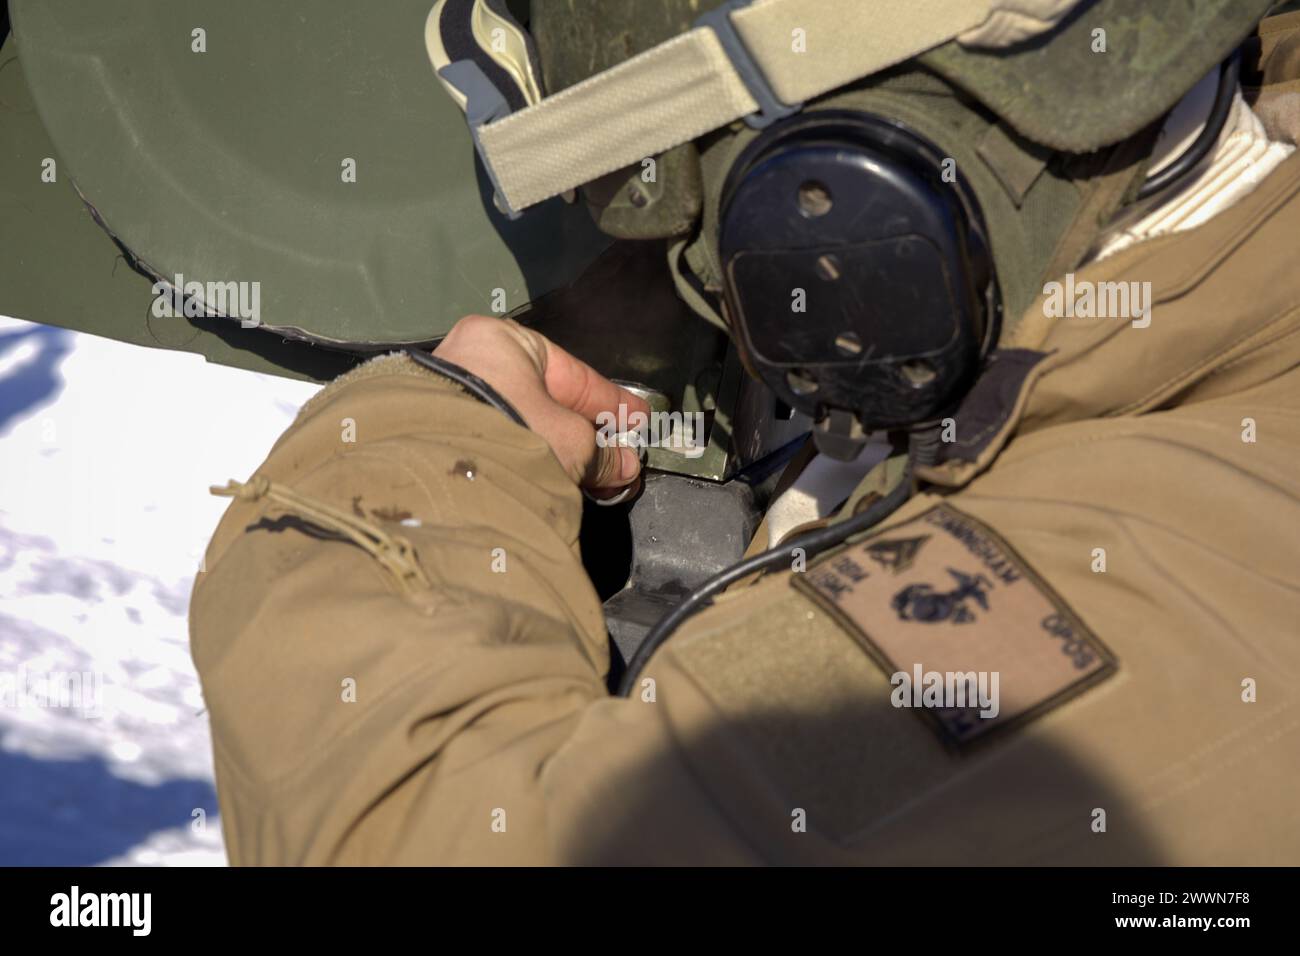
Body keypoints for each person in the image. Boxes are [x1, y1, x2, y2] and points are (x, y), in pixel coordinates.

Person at [191, 1, 1300, 864]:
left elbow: (442, 839)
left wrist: (411, 457)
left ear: (847, 173)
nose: (690, 269)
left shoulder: (1153, 593)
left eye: (675, 190)